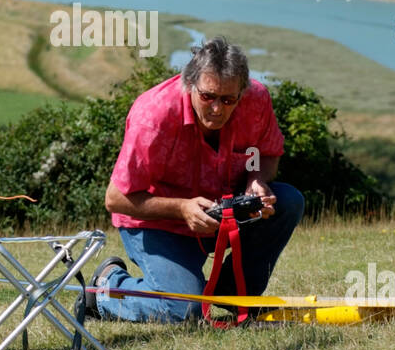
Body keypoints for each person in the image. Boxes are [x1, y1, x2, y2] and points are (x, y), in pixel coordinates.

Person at [95, 37, 304, 322]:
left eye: (228, 100)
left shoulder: (257, 99)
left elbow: (265, 153)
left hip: (222, 215)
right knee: (183, 312)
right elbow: (115, 199)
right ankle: (107, 289)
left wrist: (257, 179)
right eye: (208, 97)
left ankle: (234, 294)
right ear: (190, 84)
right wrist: (181, 208)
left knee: (289, 201)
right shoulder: (153, 116)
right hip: (158, 225)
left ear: (242, 92)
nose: (217, 108)